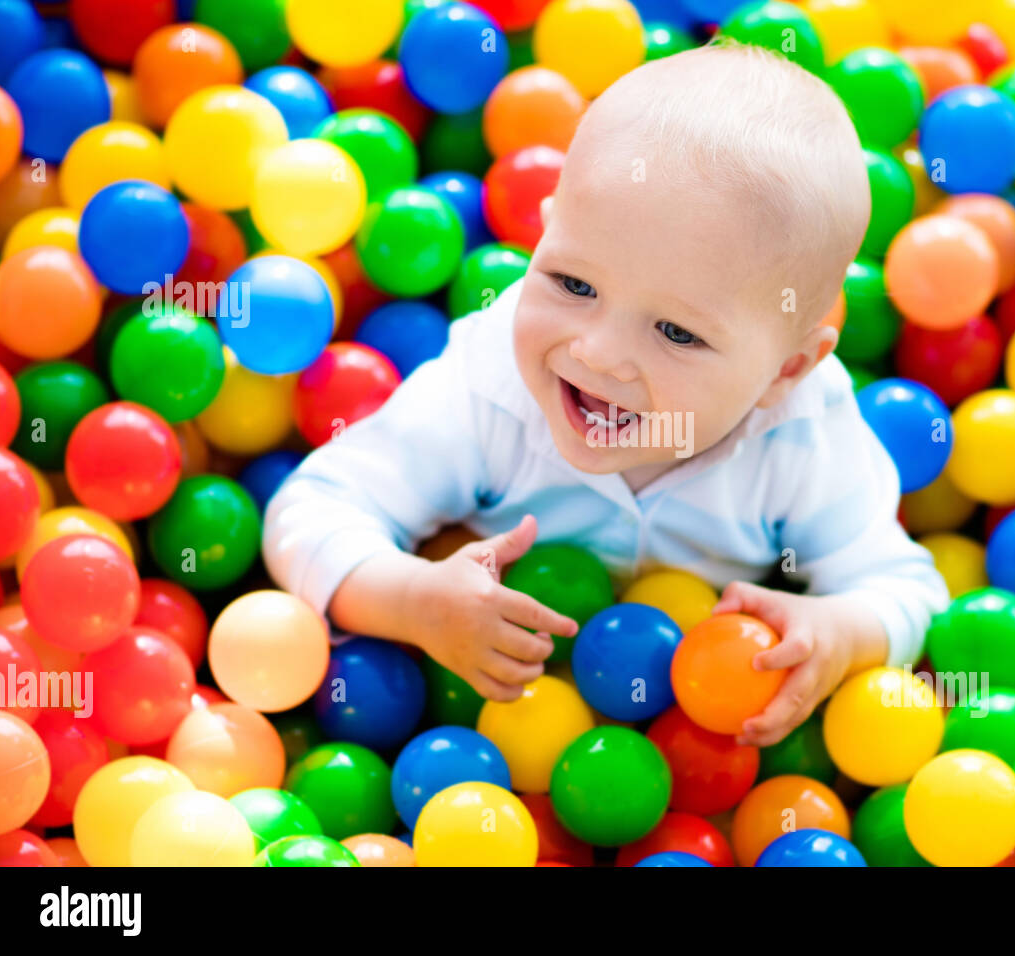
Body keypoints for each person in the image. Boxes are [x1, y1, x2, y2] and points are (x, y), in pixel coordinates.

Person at [263, 38, 948, 747]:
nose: (597, 353)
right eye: (574, 284)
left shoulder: (804, 434)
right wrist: (413, 602)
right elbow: (312, 509)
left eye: (677, 333)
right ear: (545, 229)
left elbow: (908, 591)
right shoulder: (491, 384)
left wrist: (840, 632)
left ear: (785, 371)